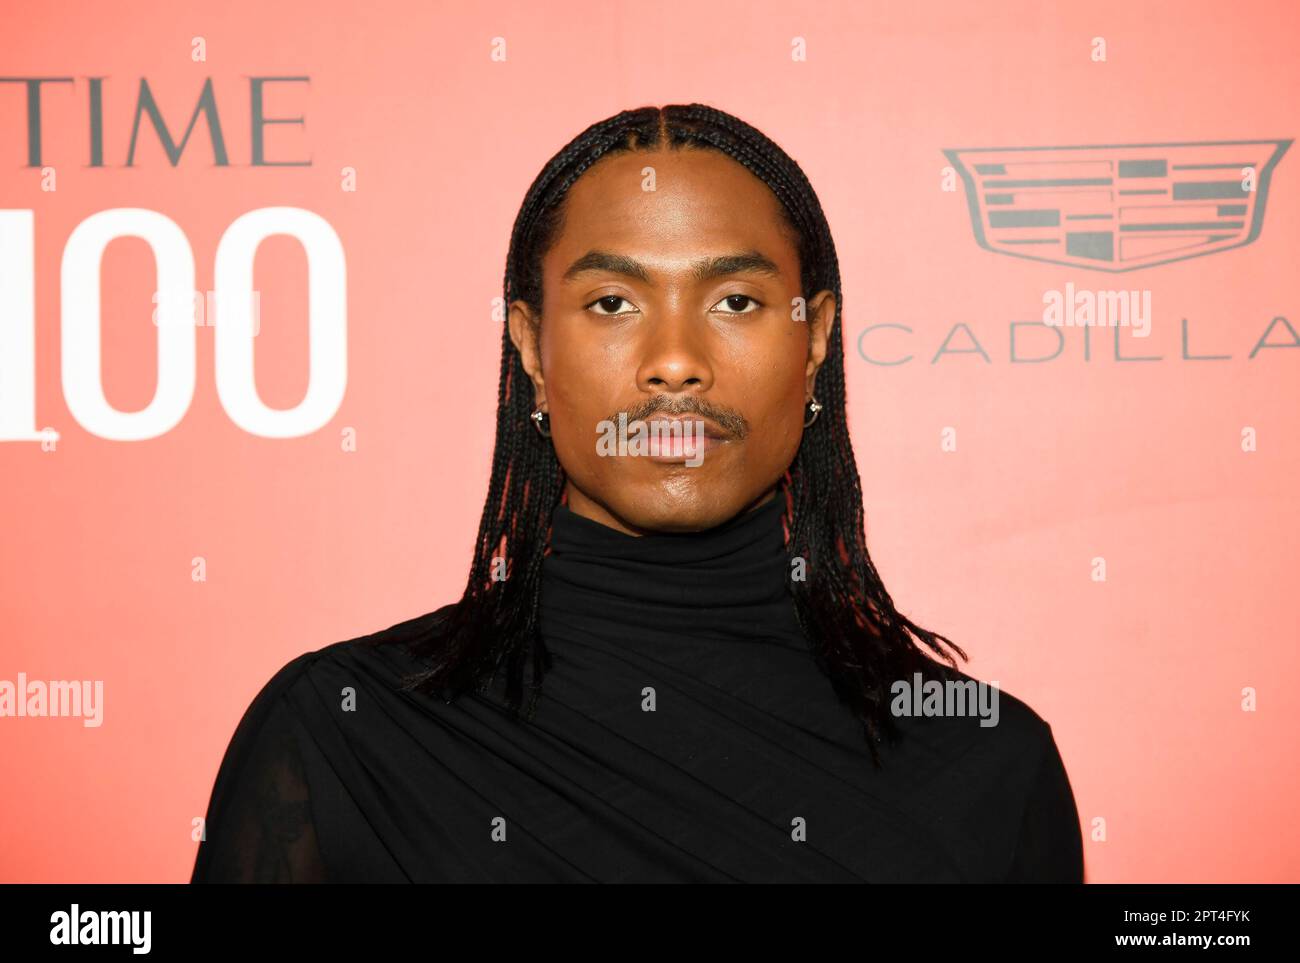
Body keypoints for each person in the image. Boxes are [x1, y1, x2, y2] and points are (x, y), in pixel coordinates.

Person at [191, 103, 1084, 883]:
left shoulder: (988, 764)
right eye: (613, 302)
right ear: (532, 349)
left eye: (735, 301)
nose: (675, 362)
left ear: (816, 342)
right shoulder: (342, 735)